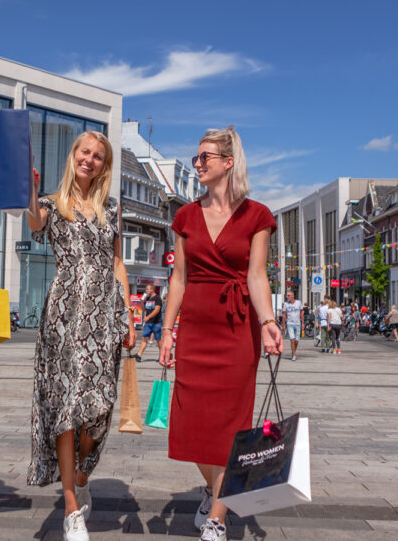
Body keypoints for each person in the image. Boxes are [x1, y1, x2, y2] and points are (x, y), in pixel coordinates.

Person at [158, 126, 282, 541]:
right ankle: (218, 489)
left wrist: (267, 322)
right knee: (191, 423)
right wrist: (167, 331)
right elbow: (178, 278)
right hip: (195, 328)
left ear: (228, 163)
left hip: (235, 330)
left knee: (231, 424)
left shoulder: (257, 215)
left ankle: (217, 516)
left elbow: (257, 275)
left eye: (205, 157)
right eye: (196, 157)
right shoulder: (185, 216)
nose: (198, 164)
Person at [23, 131, 133, 541]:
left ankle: (82, 471)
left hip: (104, 316)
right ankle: (71, 509)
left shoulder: (111, 208)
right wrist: (32, 192)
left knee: (99, 409)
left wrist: (129, 316)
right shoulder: (53, 204)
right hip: (65, 318)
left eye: (98, 156)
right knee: (67, 410)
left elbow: (118, 264)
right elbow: (35, 222)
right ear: (73, 156)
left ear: (104, 165)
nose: (90, 159)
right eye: (85, 152)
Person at [135, 284, 163, 362]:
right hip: (148, 323)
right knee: (144, 338)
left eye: (147, 289)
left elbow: (157, 310)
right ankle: (139, 355)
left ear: (152, 290)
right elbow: (144, 310)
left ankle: (161, 356)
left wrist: (148, 317)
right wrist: (142, 302)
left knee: (158, 340)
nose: (146, 291)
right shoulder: (147, 298)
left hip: (156, 323)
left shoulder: (157, 298)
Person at [279, 290, 304, 361]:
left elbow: (302, 313)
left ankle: (293, 352)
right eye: (287, 295)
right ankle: (294, 355)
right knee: (292, 340)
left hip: (298, 323)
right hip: (290, 324)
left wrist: (303, 323)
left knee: (296, 341)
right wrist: (284, 325)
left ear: (293, 296)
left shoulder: (298, 303)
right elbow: (284, 315)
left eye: (288, 295)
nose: (287, 297)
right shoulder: (286, 304)